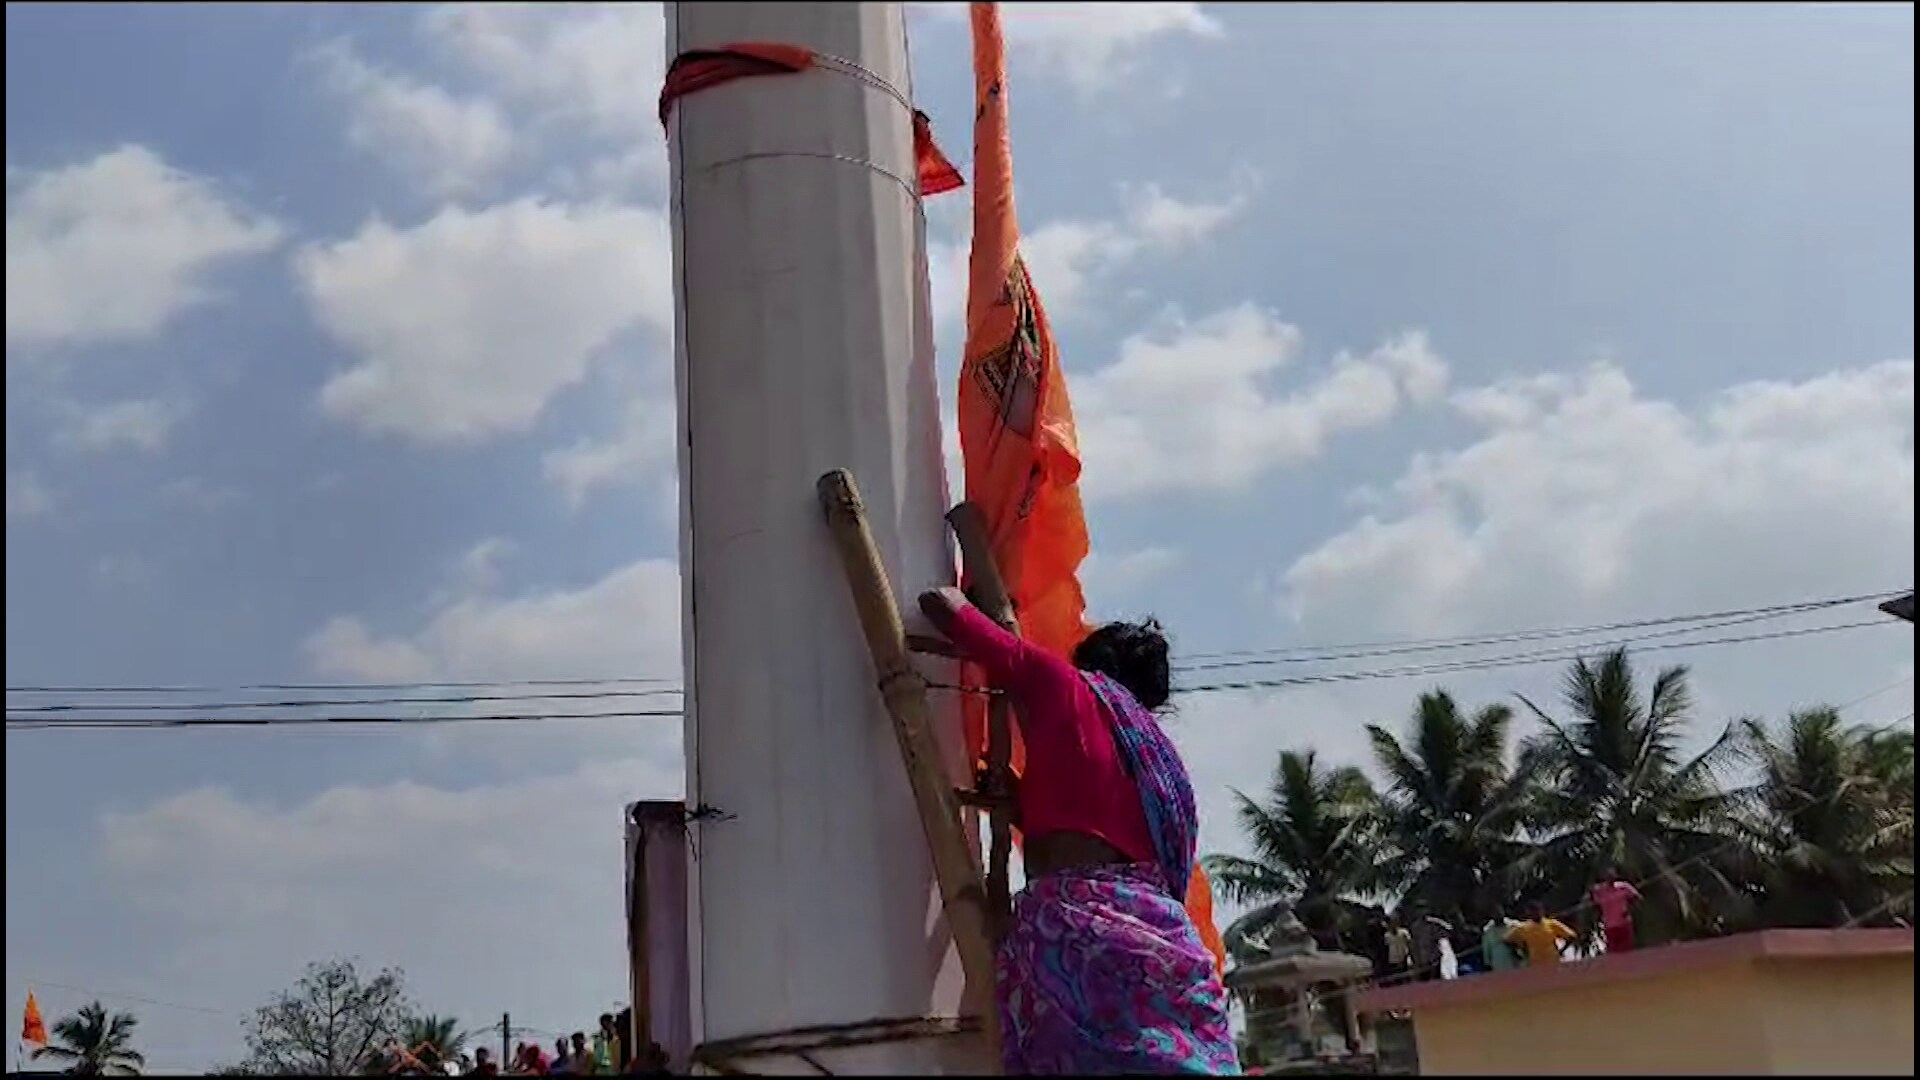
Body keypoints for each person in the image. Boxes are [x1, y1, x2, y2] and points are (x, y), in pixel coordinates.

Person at [917, 587, 1240, 1075]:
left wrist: (956, 586)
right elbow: (1096, 826)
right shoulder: (1160, 765)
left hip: (1076, 936)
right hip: (1163, 935)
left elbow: (943, 609)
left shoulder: (1063, 684)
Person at [1505, 902, 1578, 967]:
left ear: (1542, 911)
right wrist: (1519, 953)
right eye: (1533, 911)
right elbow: (1507, 940)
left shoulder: (1551, 924)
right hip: (1535, 964)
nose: (1536, 913)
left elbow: (1571, 936)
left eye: (1538, 910)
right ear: (1528, 913)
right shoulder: (1523, 928)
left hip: (1553, 962)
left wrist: (1561, 951)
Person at [1590, 872, 1643, 954]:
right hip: (1609, 925)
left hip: (1624, 922)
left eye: (1611, 877)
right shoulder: (1599, 891)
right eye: (1607, 878)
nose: (1610, 879)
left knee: (1628, 949)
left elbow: (1637, 898)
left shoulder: (1623, 887)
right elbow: (1593, 903)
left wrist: (1629, 910)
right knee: (1613, 951)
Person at [1408, 911, 1453, 982]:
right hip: (1422, 960)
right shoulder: (1415, 926)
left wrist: (1438, 921)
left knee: (1437, 981)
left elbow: (1448, 930)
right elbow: (1414, 944)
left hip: (1434, 958)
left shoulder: (1433, 923)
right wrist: (1416, 960)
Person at [1383, 917, 1413, 984]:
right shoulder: (1386, 935)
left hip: (1404, 957)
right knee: (1397, 979)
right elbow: (1387, 946)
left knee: (1407, 977)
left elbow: (1409, 943)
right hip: (1393, 960)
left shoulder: (1404, 932)